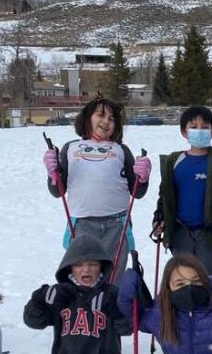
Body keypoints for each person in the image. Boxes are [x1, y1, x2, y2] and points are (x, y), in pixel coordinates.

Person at [24, 235, 131, 354]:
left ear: (102, 267)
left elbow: (128, 328)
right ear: (69, 268)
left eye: (92, 264)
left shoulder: (112, 294)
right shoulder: (60, 295)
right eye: (79, 264)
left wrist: (116, 310)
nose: (86, 269)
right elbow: (33, 322)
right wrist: (38, 300)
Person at [43, 96, 152, 280]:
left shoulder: (120, 149)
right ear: (87, 118)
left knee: (113, 280)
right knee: (84, 278)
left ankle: (111, 309)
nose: (106, 121)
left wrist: (144, 177)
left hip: (117, 224)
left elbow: (137, 192)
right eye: (100, 115)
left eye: (112, 118)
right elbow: (57, 191)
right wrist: (52, 172)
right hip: (82, 224)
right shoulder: (70, 148)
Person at [152, 105, 212, 276]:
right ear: (184, 132)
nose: (199, 131)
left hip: (210, 235)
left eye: (205, 127)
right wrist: (159, 218)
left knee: (211, 280)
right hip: (181, 233)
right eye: (193, 127)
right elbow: (165, 196)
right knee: (183, 278)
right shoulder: (174, 161)